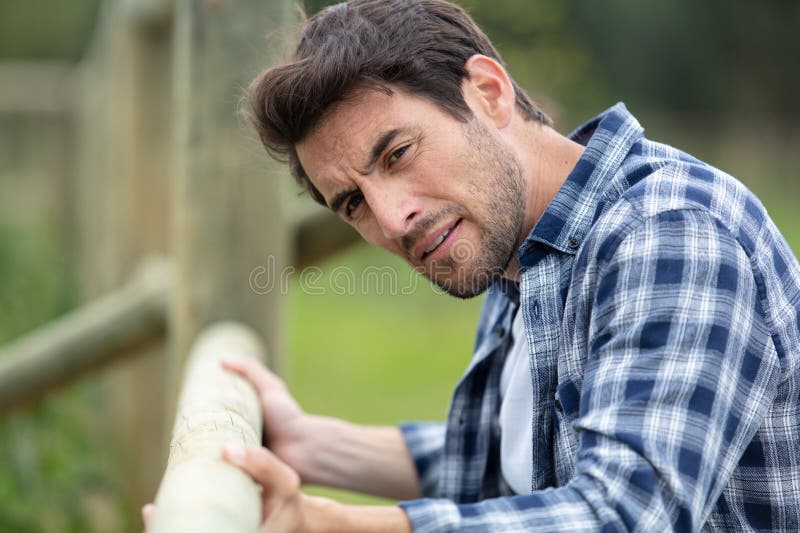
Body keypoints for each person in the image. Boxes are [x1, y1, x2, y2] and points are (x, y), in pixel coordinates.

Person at [148, 0, 800, 530]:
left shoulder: (672, 233)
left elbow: (622, 514)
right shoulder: (522, 241)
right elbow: (526, 452)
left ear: (489, 93)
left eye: (397, 153)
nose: (393, 218)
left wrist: (328, 525)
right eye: (353, 202)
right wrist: (319, 446)